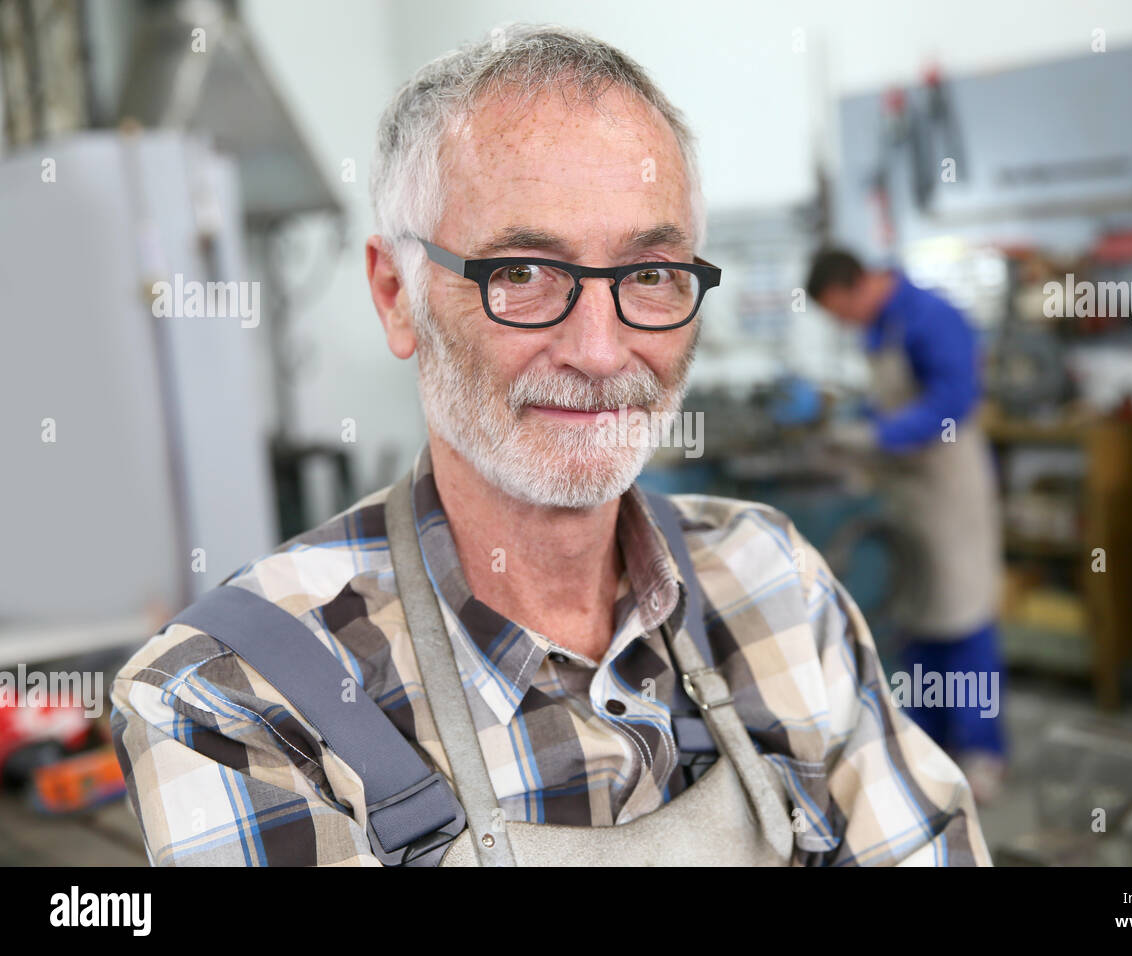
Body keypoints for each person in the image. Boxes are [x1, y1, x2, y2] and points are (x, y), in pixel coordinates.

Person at [110, 25, 990, 866]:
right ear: (395, 295)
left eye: (649, 275)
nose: (601, 352)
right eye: (522, 273)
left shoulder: (776, 584)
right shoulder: (232, 696)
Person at [807, 248, 1008, 803]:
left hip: (949, 490)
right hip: (907, 494)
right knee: (916, 616)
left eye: (838, 312)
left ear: (855, 287)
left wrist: (880, 437)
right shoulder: (881, 328)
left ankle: (983, 752)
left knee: (963, 618)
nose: (842, 324)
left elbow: (952, 402)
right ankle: (925, 745)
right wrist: (858, 424)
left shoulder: (930, 316)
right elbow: (889, 402)